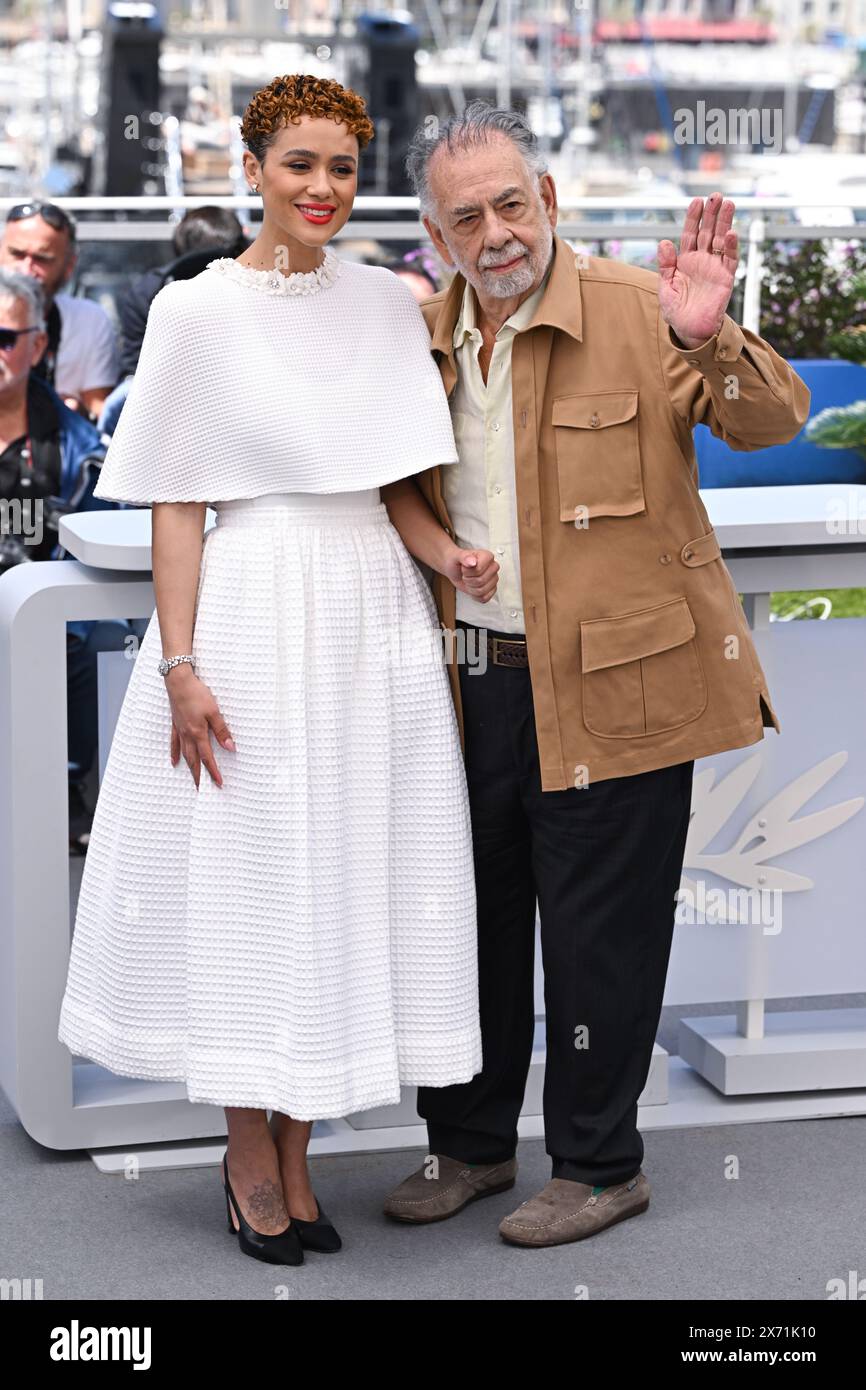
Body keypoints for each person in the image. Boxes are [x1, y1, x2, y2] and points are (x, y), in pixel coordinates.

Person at [57, 74, 494, 1267]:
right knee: (249, 884)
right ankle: (248, 1150)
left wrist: (448, 552)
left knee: (339, 875)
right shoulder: (197, 310)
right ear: (250, 168)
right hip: (247, 611)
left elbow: (396, 482)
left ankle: (298, 1156)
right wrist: (184, 664)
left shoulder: (386, 304)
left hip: (371, 614)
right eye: (297, 163)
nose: (320, 188)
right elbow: (179, 501)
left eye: (343, 168)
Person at [380, 102, 810, 1247]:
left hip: (615, 689)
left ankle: (597, 1164)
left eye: (511, 205)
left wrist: (706, 335)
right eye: (465, 216)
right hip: (466, 685)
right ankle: (467, 1145)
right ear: (437, 234)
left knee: (595, 937)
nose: (495, 233)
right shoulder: (413, 337)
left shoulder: (640, 309)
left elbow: (773, 420)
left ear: (549, 203)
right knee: (467, 927)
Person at [0, 267, 129, 853]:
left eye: (5, 339)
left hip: (48, 630)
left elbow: (105, 546)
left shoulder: (80, 449)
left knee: (99, 636)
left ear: (37, 344)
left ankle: (78, 792)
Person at [0, 202, 119, 419]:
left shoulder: (90, 321)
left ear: (69, 266)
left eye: (42, 259)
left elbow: (100, 411)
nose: (26, 270)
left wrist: (72, 416)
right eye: (17, 254)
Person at [116, 206, 248, 377]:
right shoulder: (148, 294)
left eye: (223, 265)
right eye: (198, 266)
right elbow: (135, 374)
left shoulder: (263, 285)